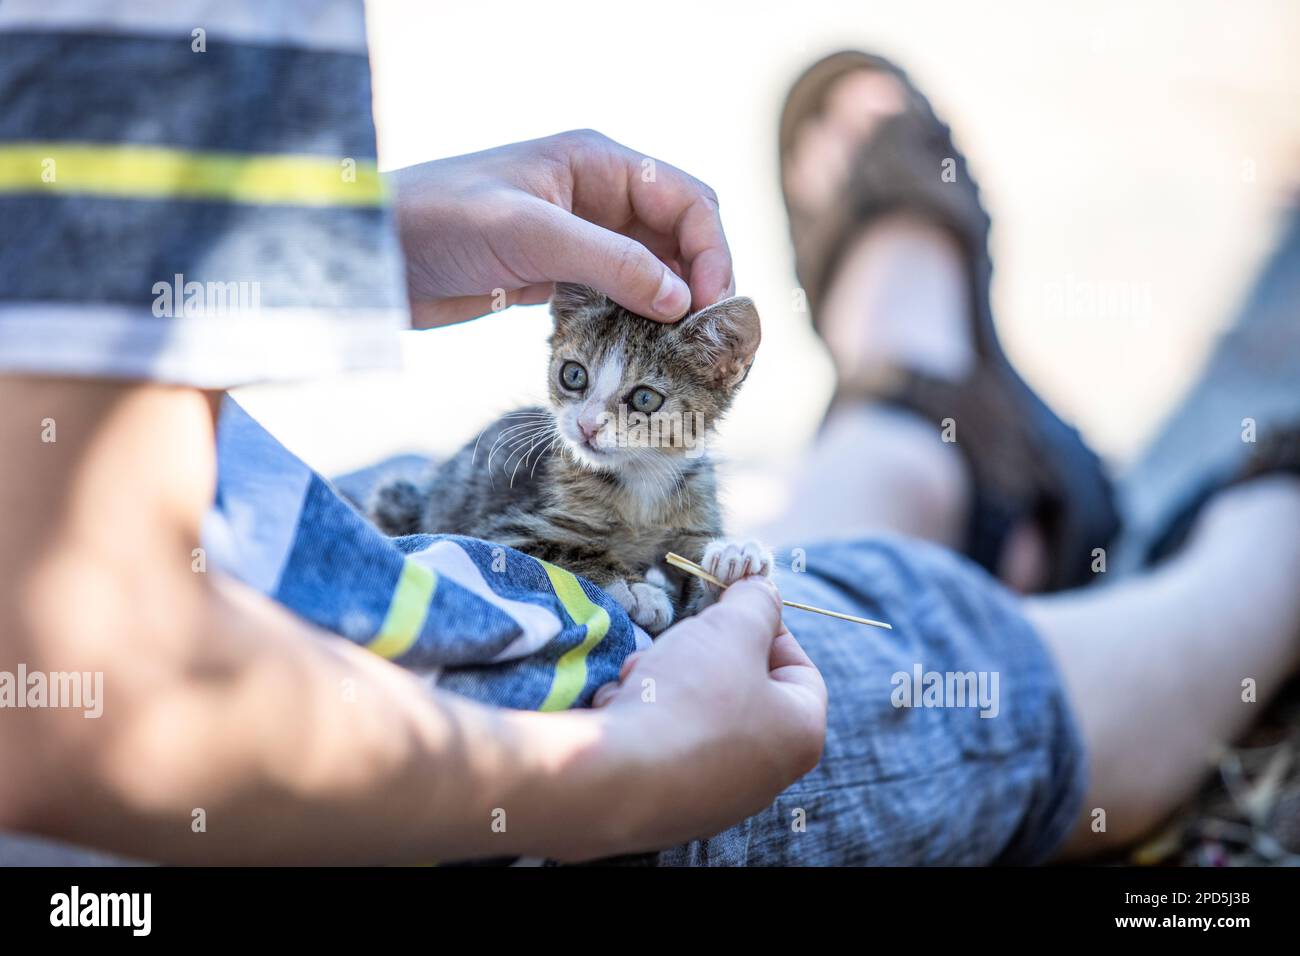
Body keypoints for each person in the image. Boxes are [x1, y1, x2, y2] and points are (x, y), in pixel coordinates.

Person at [1, 3, 1296, 866]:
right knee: (894, 657)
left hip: (251, 535)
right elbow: (85, 688)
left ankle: (919, 436)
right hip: (327, 744)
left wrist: (347, 242)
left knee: (712, 553)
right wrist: (611, 773)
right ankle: (1260, 534)